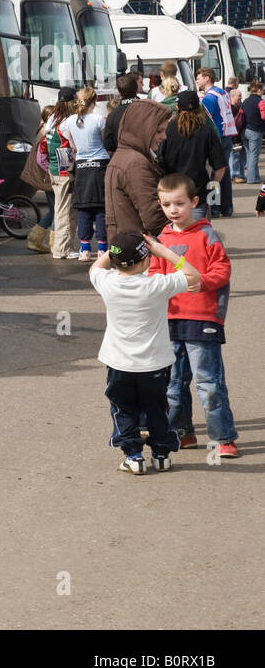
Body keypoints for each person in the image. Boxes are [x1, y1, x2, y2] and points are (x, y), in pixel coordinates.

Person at [89, 230, 200, 475]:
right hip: (155, 364)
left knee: (124, 409)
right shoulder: (157, 285)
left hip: (118, 364)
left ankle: (133, 456)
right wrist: (163, 251)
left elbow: (95, 268)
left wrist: (114, 250)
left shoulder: (107, 282)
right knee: (157, 408)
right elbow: (193, 275)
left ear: (114, 260)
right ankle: (161, 455)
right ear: (145, 258)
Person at [150, 173, 240, 458]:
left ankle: (223, 438)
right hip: (170, 319)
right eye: (166, 204)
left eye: (179, 203)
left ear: (194, 202)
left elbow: (222, 270)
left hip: (203, 318)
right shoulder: (161, 239)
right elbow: (154, 273)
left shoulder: (206, 234)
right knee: (173, 384)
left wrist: (202, 282)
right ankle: (182, 432)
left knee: (208, 383)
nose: (173, 210)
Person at [105, 98, 170, 237]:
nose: (164, 136)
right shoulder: (136, 163)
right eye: (159, 131)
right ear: (143, 130)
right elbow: (154, 218)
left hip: (126, 242)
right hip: (138, 244)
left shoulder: (125, 156)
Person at [159, 90, 227, 221]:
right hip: (197, 194)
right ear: (198, 107)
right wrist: (212, 186)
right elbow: (220, 167)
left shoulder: (167, 130)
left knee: (174, 231)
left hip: (171, 192)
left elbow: (158, 160)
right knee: (196, 230)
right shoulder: (207, 131)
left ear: (177, 107)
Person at [62, 87, 109, 260]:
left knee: (84, 208)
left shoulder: (70, 121)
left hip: (81, 166)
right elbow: (105, 142)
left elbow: (73, 146)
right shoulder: (99, 120)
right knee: (101, 208)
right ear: (94, 101)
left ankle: (85, 249)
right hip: (100, 165)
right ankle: (102, 249)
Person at [196, 67, 237, 216]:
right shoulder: (222, 92)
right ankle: (227, 207)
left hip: (216, 137)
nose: (196, 81)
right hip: (227, 134)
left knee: (214, 173)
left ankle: (214, 207)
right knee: (225, 171)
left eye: (198, 78)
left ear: (207, 78)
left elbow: (203, 118)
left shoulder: (209, 97)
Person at [45, 88, 79, 259]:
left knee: (60, 209)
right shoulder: (68, 122)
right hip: (65, 170)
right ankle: (63, 249)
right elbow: (75, 146)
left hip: (54, 168)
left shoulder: (52, 118)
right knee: (66, 210)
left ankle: (62, 247)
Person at [23, 105, 55, 253]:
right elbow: (41, 159)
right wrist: (51, 171)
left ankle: (35, 239)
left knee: (54, 210)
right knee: (57, 211)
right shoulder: (46, 134)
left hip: (48, 178)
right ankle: (54, 244)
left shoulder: (42, 131)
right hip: (50, 178)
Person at [102, 72, 142, 153]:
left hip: (122, 156)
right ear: (136, 88)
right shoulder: (147, 110)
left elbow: (109, 145)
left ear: (119, 92)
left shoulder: (112, 116)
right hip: (143, 156)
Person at [241, 80, 265, 183]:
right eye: (262, 90)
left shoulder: (245, 101)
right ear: (258, 90)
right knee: (254, 156)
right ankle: (252, 178)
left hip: (244, 131)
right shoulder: (261, 102)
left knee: (249, 155)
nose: (263, 92)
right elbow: (263, 117)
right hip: (255, 131)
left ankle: (256, 177)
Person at [229, 87, 246, 182]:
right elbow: (234, 126)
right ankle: (235, 176)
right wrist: (236, 140)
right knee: (235, 157)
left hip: (237, 137)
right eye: (239, 96)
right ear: (232, 96)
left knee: (238, 157)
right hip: (234, 138)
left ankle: (239, 175)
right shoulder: (232, 109)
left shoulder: (237, 108)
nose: (241, 97)